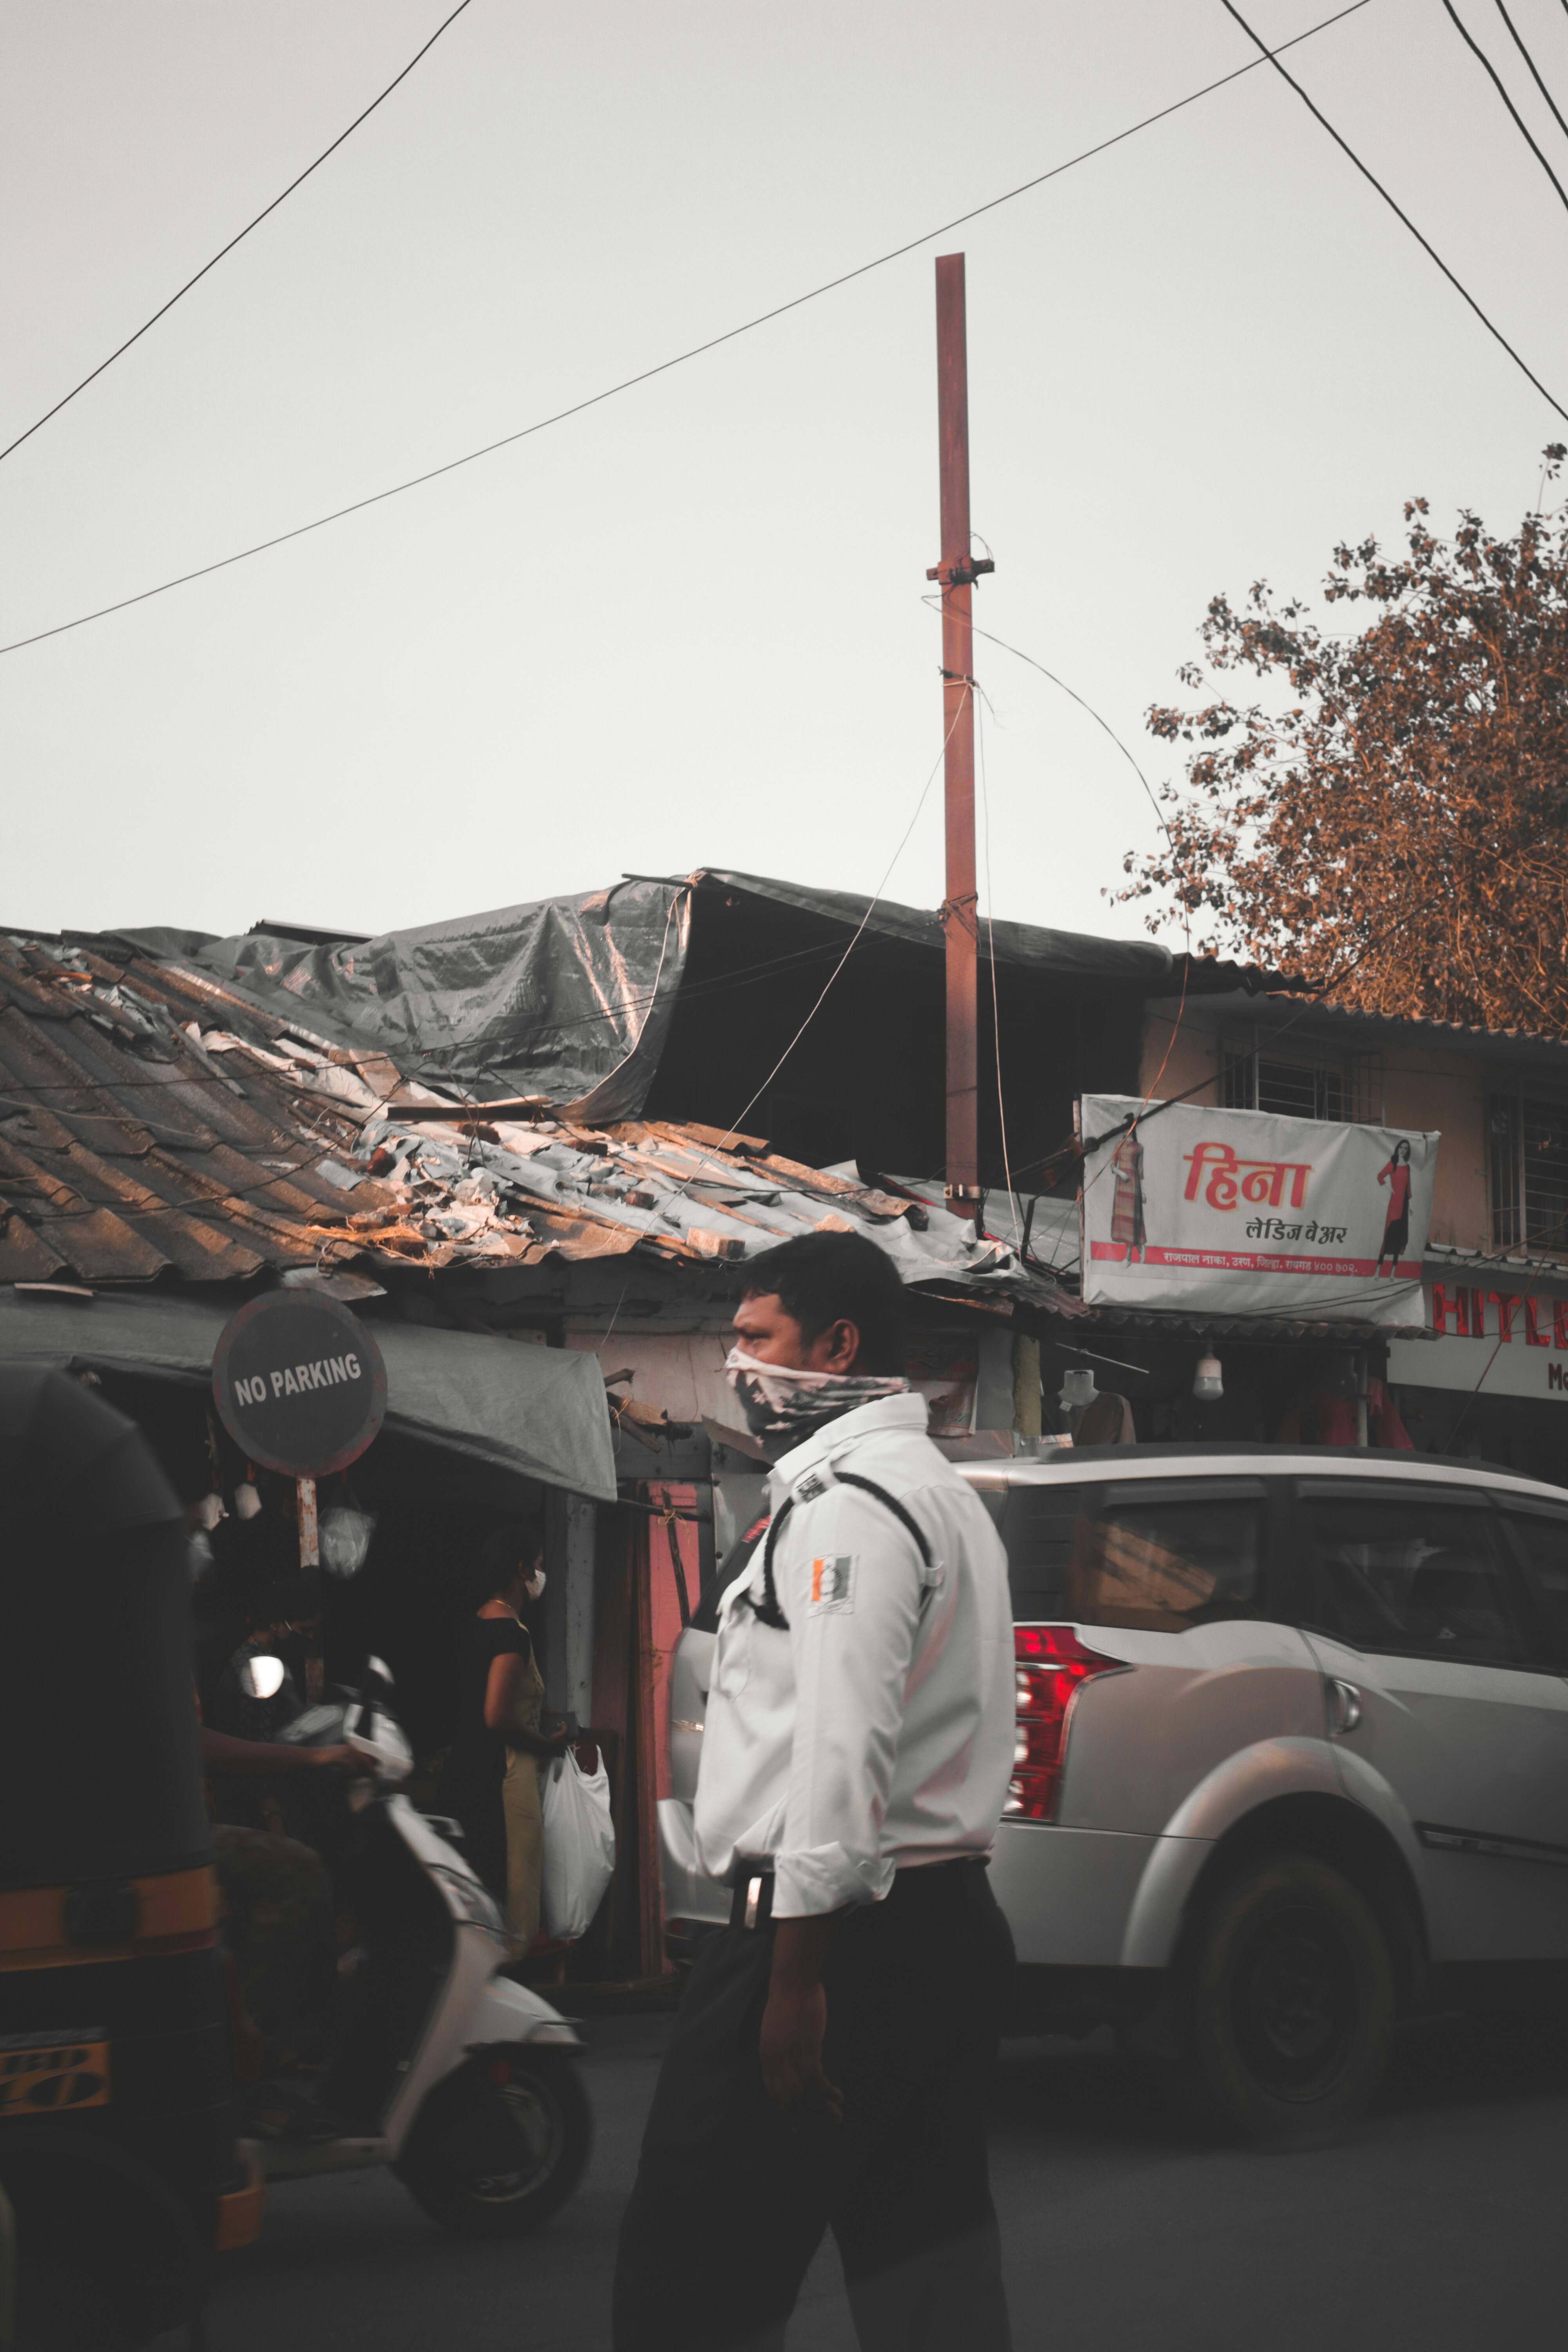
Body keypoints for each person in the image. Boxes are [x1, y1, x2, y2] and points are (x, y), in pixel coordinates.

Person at [613, 1232, 1016, 2352]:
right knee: (925, 2274)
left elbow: (843, 1752)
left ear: (836, 1347)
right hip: (935, 1930)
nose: (737, 1364)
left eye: (756, 1338)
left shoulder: (851, 1508)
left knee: (687, 2286)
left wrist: (795, 1985)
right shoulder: (941, 1495)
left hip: (826, 1947)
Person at [436, 1522, 566, 1953]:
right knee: (516, 1877)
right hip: (506, 1773)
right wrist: (546, 1744)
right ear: (522, 1569)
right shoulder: (511, 1634)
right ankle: (512, 1971)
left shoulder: (477, 1623)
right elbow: (496, 1715)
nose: (541, 1575)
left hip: (470, 1769)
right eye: (540, 1566)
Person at [1376, 1138, 1414, 1275]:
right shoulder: (1393, 1165)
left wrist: (1410, 1205)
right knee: (1389, 1232)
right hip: (1395, 1203)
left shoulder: (1407, 1167)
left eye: (1406, 1148)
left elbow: (1408, 1187)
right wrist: (1388, 1187)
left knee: (1400, 1235)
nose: (1403, 1150)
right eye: (1402, 1147)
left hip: (1404, 1204)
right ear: (1398, 1148)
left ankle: (1393, 1269)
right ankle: (1379, 1266)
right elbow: (1380, 1176)